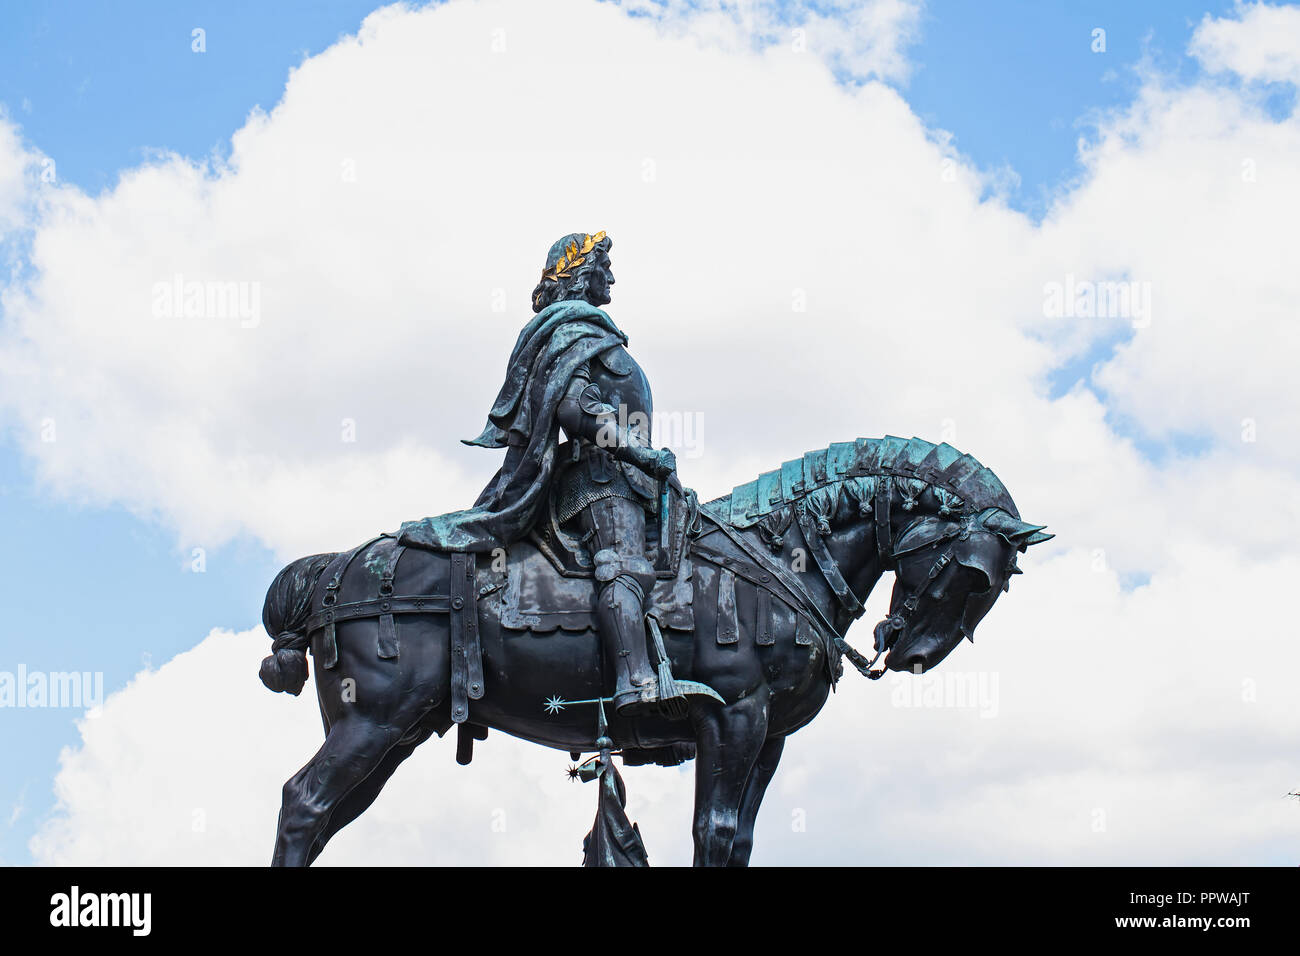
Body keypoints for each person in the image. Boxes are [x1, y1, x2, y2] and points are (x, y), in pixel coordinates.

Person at [399, 231, 683, 716]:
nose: (611, 276)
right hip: (601, 483)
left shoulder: (589, 330)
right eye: (603, 266)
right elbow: (575, 410)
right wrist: (641, 454)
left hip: (633, 482)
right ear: (580, 272)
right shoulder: (569, 331)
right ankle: (634, 682)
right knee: (623, 566)